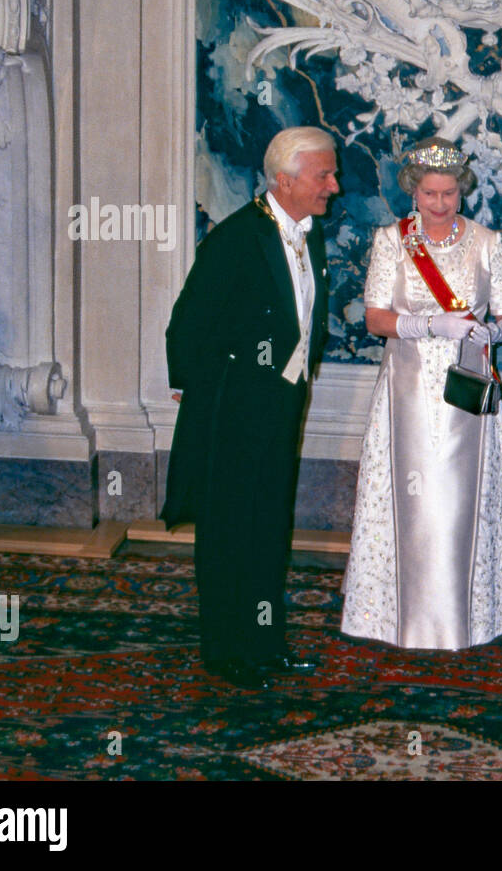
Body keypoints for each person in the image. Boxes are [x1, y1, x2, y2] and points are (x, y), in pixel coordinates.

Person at [339, 137, 502, 650]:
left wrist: (492, 333)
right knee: (413, 498)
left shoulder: (489, 243)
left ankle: (470, 618)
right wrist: (430, 324)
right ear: (413, 192)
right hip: (407, 389)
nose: (441, 204)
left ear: (462, 190)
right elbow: (376, 318)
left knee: (460, 500)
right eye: (430, 194)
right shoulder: (391, 240)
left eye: (449, 193)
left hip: (468, 386)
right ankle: (398, 620)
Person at [162, 126, 337, 690]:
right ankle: (226, 650)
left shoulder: (308, 234)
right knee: (229, 532)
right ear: (284, 180)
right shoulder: (237, 238)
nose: (333, 186)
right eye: (323, 175)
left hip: (281, 407)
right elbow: (187, 328)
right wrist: (222, 389)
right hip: (234, 411)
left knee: (268, 528)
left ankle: (264, 642)